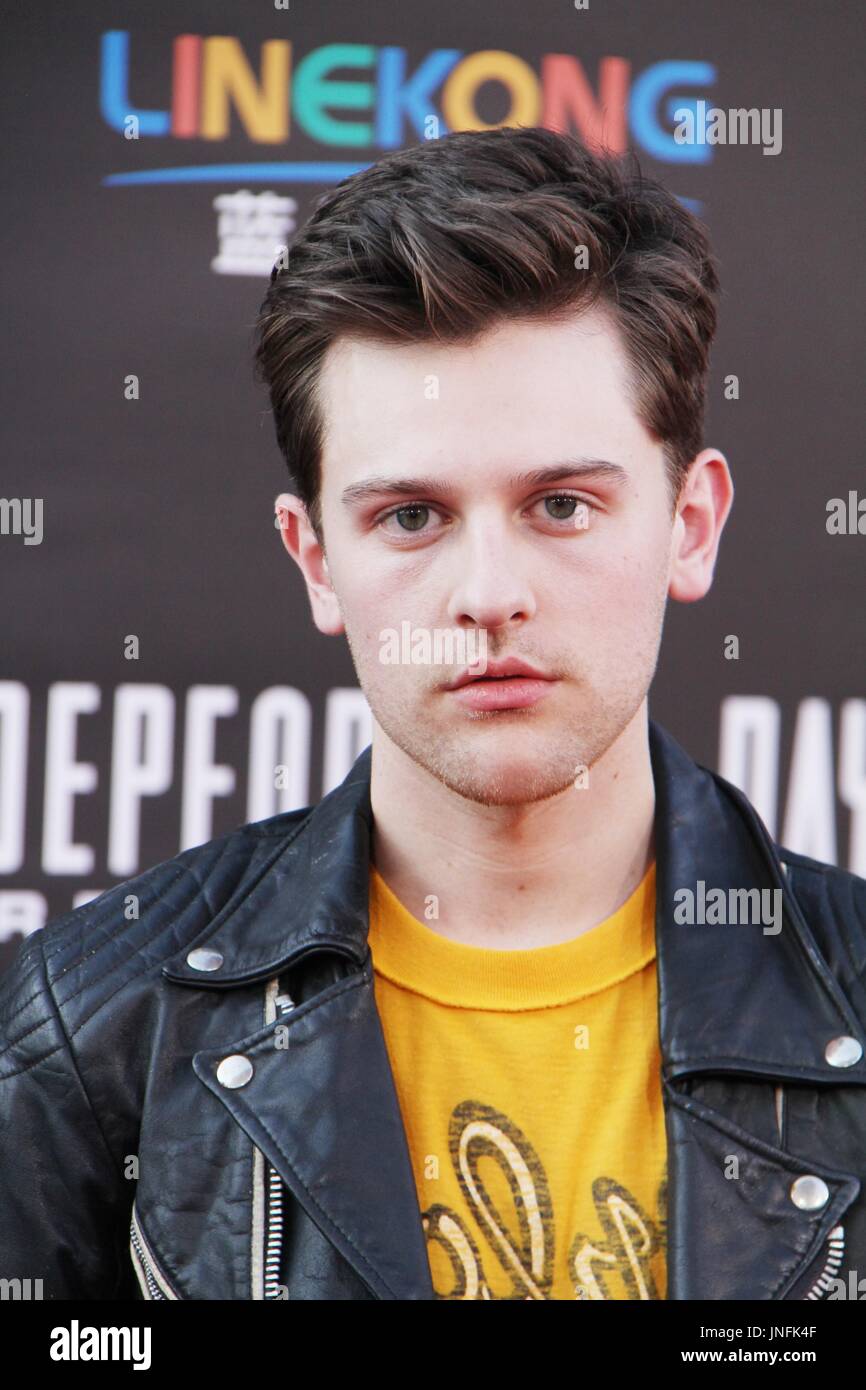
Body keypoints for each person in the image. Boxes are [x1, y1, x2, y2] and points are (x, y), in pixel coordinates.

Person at [1, 127, 864, 1302]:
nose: (486, 595)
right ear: (314, 560)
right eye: (409, 517)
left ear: (690, 524)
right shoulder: (91, 1028)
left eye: (560, 503)